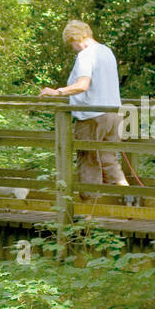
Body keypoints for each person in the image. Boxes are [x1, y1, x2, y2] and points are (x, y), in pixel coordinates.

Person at [39, 19, 128, 198]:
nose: (73, 48)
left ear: (76, 39)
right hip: (113, 114)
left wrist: (57, 92)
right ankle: (129, 197)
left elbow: (82, 84)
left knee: (88, 160)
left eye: (71, 44)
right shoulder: (106, 51)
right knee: (108, 159)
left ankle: (87, 215)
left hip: (92, 116)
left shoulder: (86, 55)